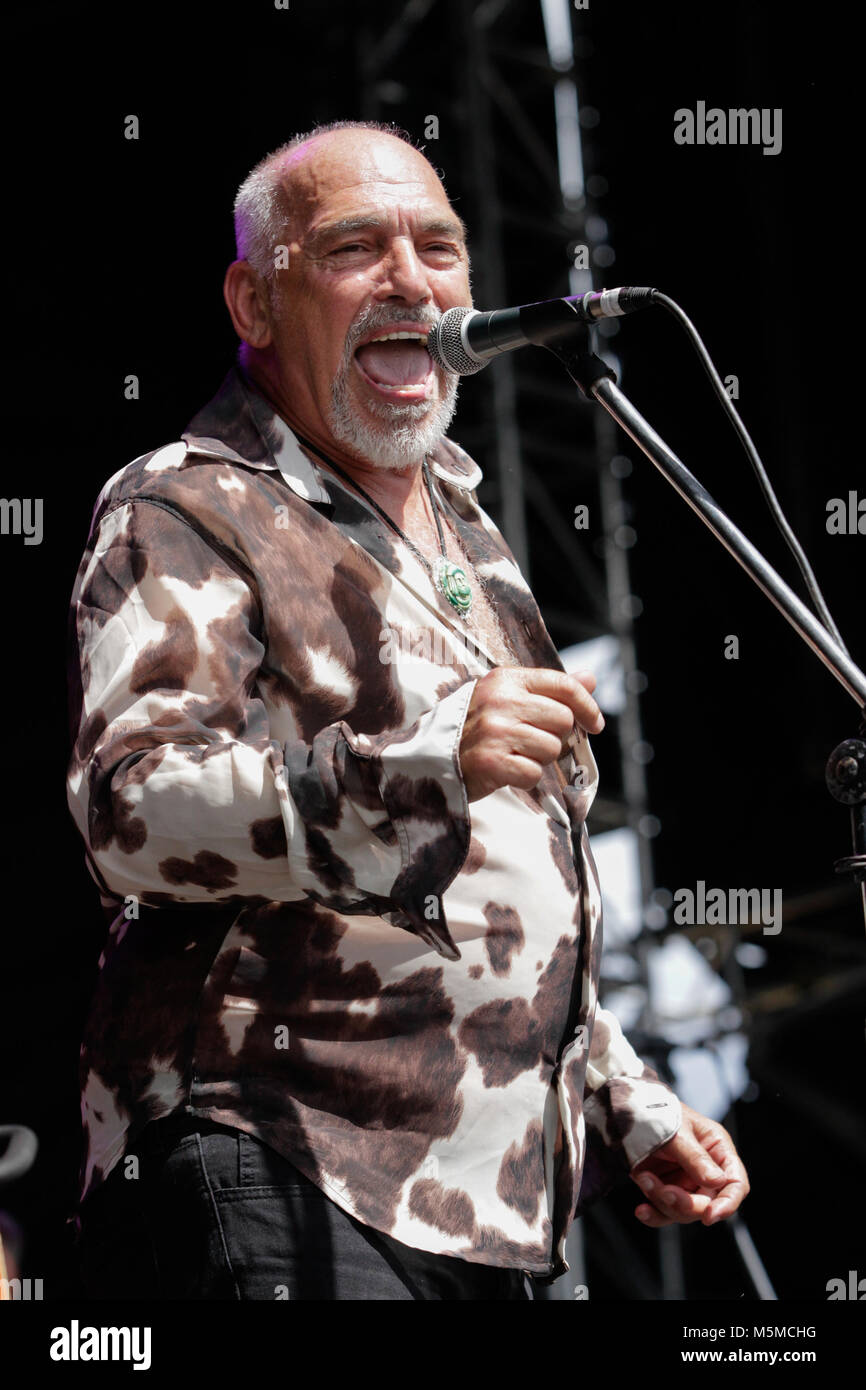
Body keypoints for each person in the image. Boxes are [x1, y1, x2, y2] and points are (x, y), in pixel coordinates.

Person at [65, 120, 748, 1301]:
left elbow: (517, 874)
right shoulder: (188, 504)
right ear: (254, 299)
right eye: (352, 247)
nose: (411, 279)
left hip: (499, 1208)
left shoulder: (469, 534)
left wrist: (622, 1099)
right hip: (280, 1150)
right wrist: (412, 767)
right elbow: (130, 814)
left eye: (438, 246)